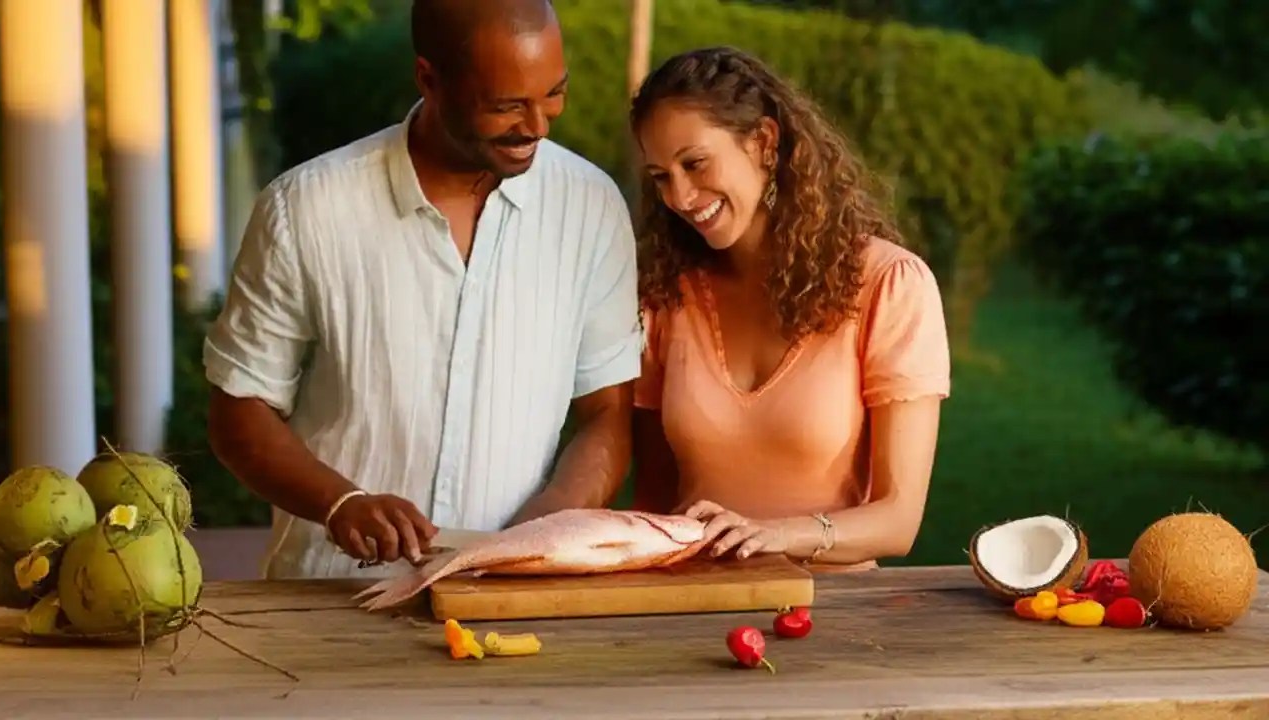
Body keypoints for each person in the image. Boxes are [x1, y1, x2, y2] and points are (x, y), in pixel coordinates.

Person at [203, 0, 641, 579]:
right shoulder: (304, 208)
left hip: (511, 597)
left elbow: (607, 414)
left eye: (553, 94)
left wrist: (551, 521)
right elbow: (239, 411)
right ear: (429, 79)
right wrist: (339, 503)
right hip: (329, 602)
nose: (537, 125)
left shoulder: (591, 206)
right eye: (506, 105)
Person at [627, 46, 951, 571]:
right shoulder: (665, 295)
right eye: (661, 176)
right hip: (692, 609)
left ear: (763, 142)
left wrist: (772, 535)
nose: (680, 197)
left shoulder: (888, 284)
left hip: (836, 616)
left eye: (695, 163)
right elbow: (654, 501)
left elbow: (898, 519)